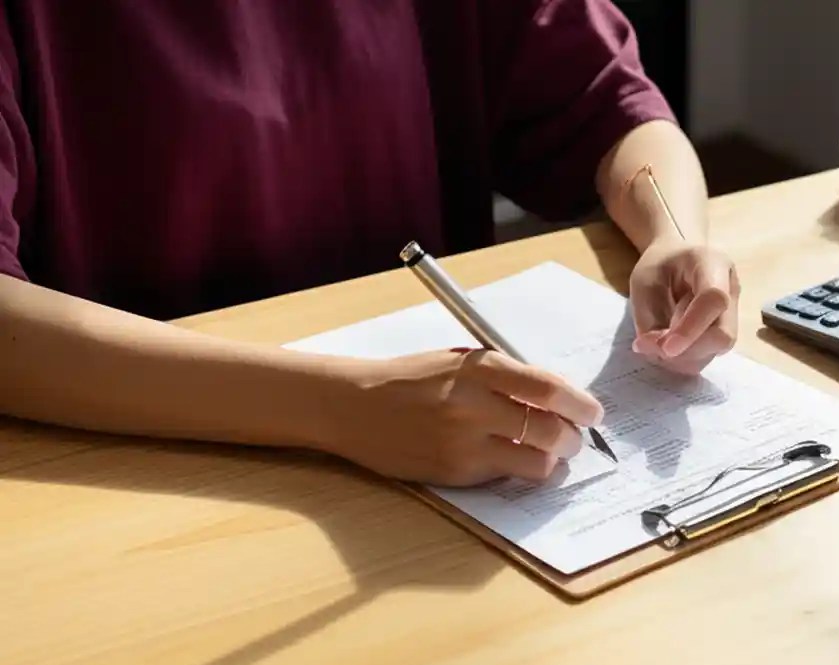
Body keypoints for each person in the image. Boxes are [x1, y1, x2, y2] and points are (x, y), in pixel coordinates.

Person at [0, 1, 739, 486]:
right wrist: (338, 407)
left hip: (444, 467)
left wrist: (674, 235)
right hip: (143, 468)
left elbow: (606, 105)